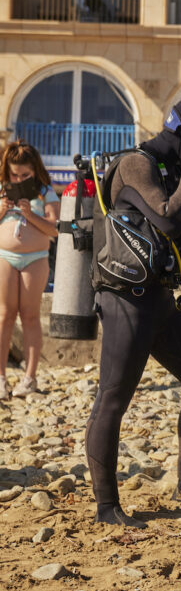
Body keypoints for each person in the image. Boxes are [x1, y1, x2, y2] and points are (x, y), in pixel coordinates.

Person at [85, 97, 181, 528]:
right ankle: (107, 505)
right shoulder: (136, 164)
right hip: (125, 298)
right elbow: (168, 220)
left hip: (162, 299)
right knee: (114, 396)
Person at [0, 141, 58, 399]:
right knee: (4, 315)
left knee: (30, 316)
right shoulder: (2, 190)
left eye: (25, 175)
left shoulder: (46, 192)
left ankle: (29, 377)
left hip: (35, 259)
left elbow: (54, 228)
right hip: (5, 257)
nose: (19, 179)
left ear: (35, 170)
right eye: (15, 174)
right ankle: (0, 378)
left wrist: (30, 214)